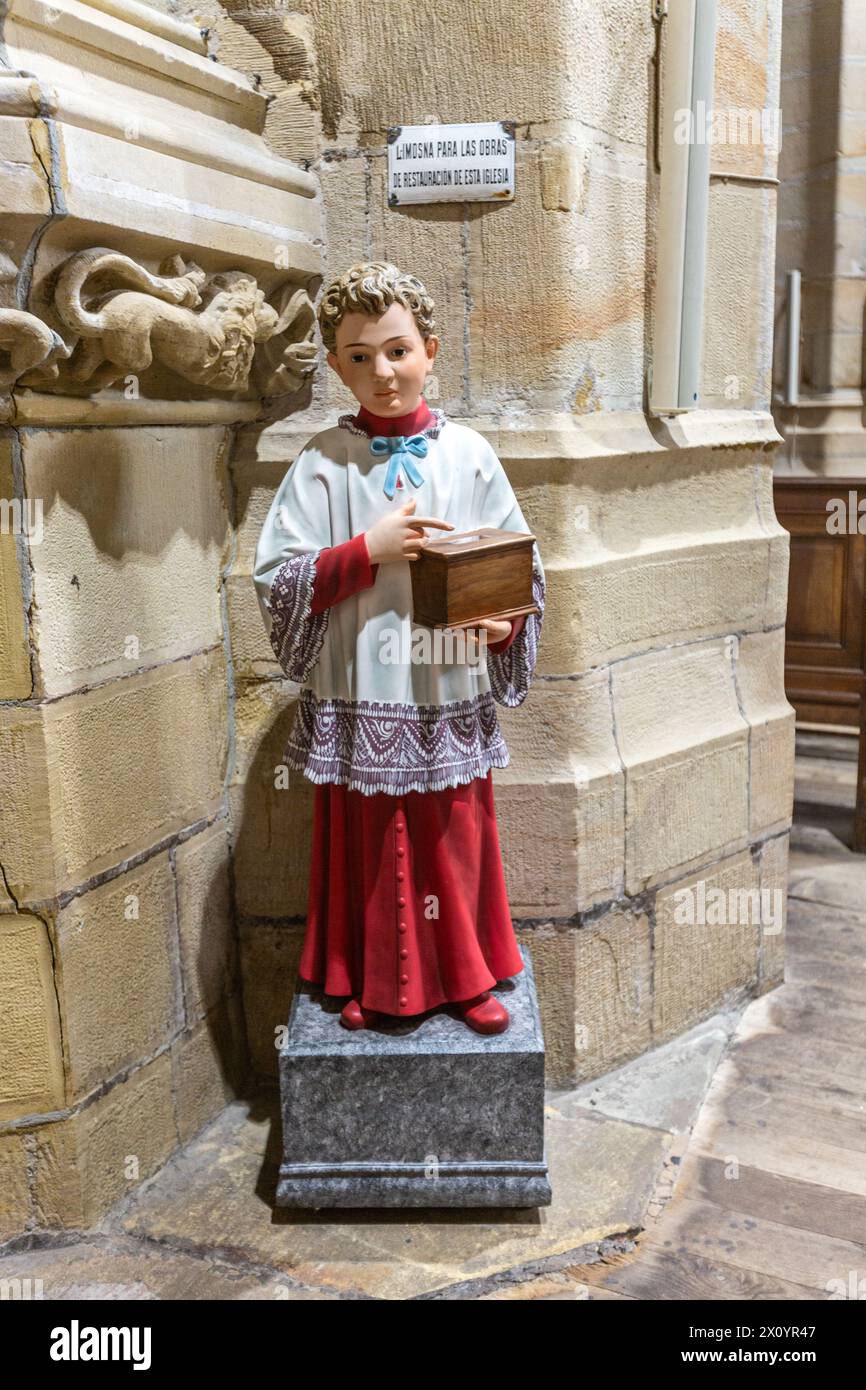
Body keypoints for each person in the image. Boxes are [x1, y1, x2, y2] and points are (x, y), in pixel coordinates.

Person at [253, 261, 545, 1034]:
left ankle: (465, 973)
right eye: (358, 357)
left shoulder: (469, 453)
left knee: (452, 830)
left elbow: (517, 560)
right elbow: (278, 578)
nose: (381, 372)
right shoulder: (322, 460)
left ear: (431, 349)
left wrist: (502, 622)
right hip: (363, 681)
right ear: (336, 364)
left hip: (446, 680)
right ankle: (363, 975)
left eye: (397, 350)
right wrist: (365, 551)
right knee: (370, 840)